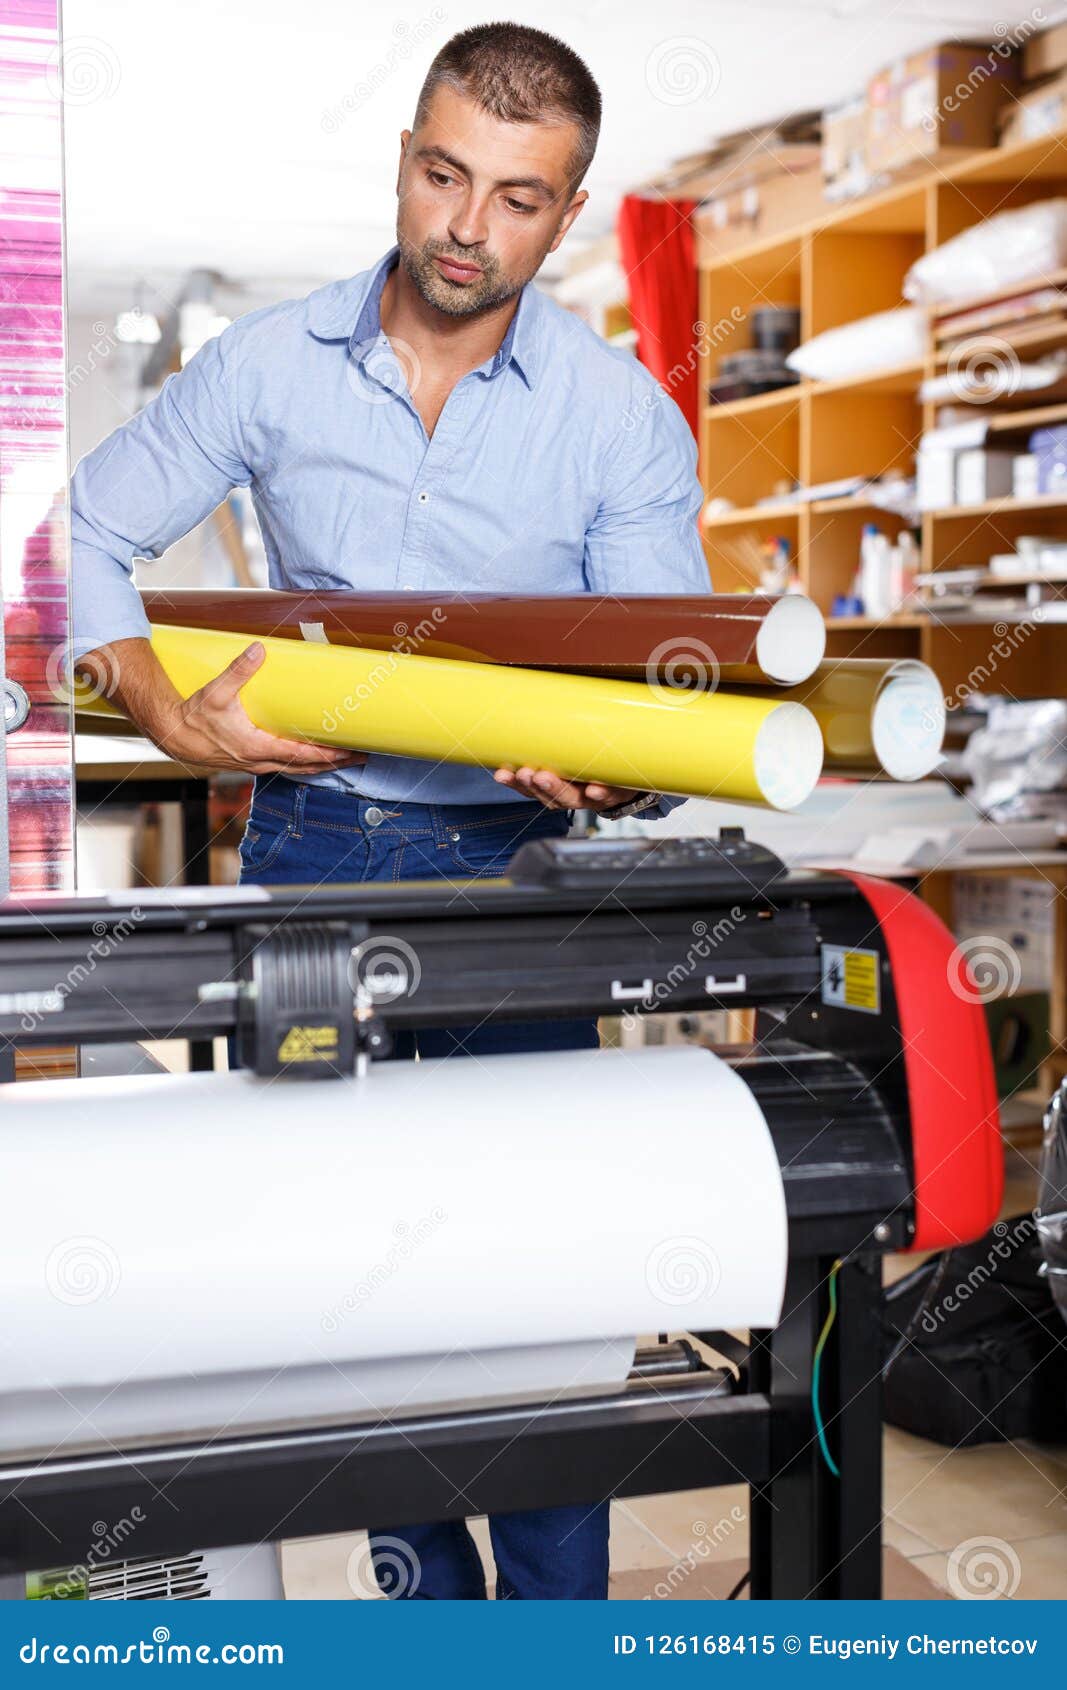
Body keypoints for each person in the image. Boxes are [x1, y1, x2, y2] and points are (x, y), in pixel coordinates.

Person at [70, 20, 709, 1599]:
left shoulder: (621, 419)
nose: (462, 228)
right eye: (441, 176)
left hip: (518, 876)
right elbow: (80, 535)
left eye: (512, 198)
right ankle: (425, 1617)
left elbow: (676, 679)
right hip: (310, 858)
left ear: (565, 215)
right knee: (346, 1289)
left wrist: (617, 758)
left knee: (534, 1296)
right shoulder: (267, 366)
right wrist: (165, 711)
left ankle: (551, 1640)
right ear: (405, 160)